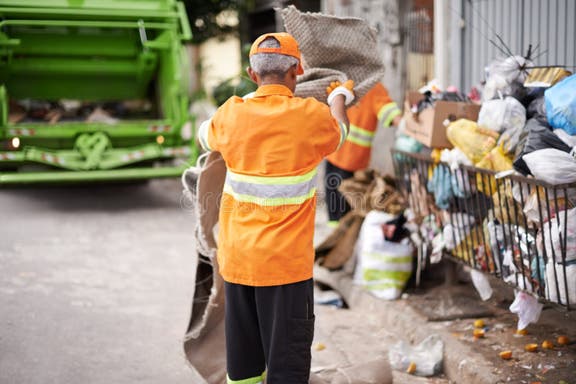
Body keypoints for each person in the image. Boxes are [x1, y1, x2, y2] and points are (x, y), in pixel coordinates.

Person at [197, 32, 353, 384]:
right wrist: (340, 96)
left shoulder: (231, 113)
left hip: (237, 265)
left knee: (244, 368)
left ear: (252, 75)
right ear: (297, 70)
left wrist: (251, 101)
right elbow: (341, 129)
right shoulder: (311, 116)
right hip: (286, 269)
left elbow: (203, 135)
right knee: (287, 368)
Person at [324, 83, 402, 227]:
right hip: (341, 155)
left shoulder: (364, 85)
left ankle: (338, 237)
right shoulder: (371, 87)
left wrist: (403, 124)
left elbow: (387, 110)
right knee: (338, 205)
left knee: (339, 204)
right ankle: (336, 238)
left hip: (347, 158)